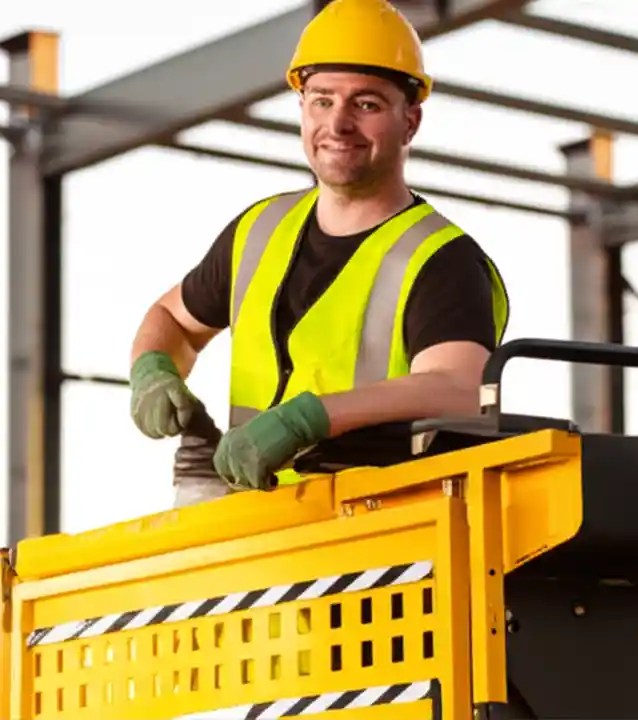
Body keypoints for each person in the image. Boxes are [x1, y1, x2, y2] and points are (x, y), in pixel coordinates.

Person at [127, 0, 509, 503]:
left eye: (366, 104)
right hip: (258, 527)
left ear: (410, 122)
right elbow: (172, 319)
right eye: (322, 101)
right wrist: (152, 371)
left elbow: (458, 388)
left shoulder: (441, 259)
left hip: (384, 532)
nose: (338, 123)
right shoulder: (259, 231)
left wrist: (312, 418)